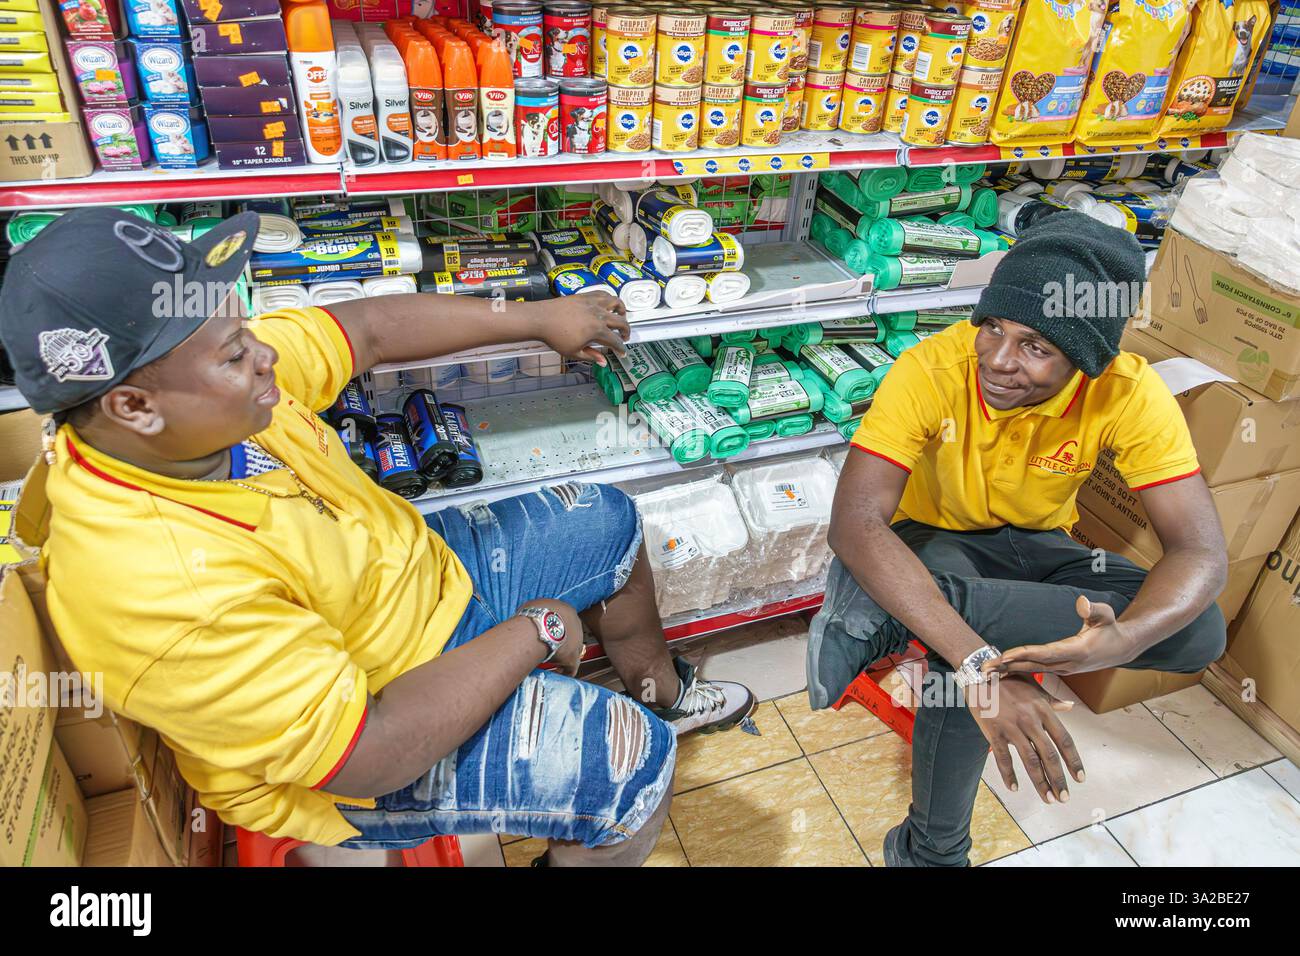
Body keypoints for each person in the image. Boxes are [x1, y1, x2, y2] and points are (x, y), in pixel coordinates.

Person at [0, 208, 756, 866]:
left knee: (609, 522)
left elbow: (366, 328)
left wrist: (535, 315)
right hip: (368, 734)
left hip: (419, 591)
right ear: (133, 405)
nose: (264, 355)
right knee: (635, 770)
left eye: (244, 331)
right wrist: (539, 627)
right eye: (234, 354)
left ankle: (664, 694)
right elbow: (370, 751)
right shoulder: (154, 583)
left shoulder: (194, 408)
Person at [808, 212, 1228, 867]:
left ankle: (896, 609)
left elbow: (1199, 551)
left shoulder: (1128, 391)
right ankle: (930, 854)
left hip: (1040, 547)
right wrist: (978, 665)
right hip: (936, 536)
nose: (999, 362)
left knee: (1199, 632)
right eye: (994, 328)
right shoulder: (934, 367)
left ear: (1087, 359)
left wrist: (1126, 636)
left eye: (1035, 347)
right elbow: (855, 523)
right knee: (967, 666)